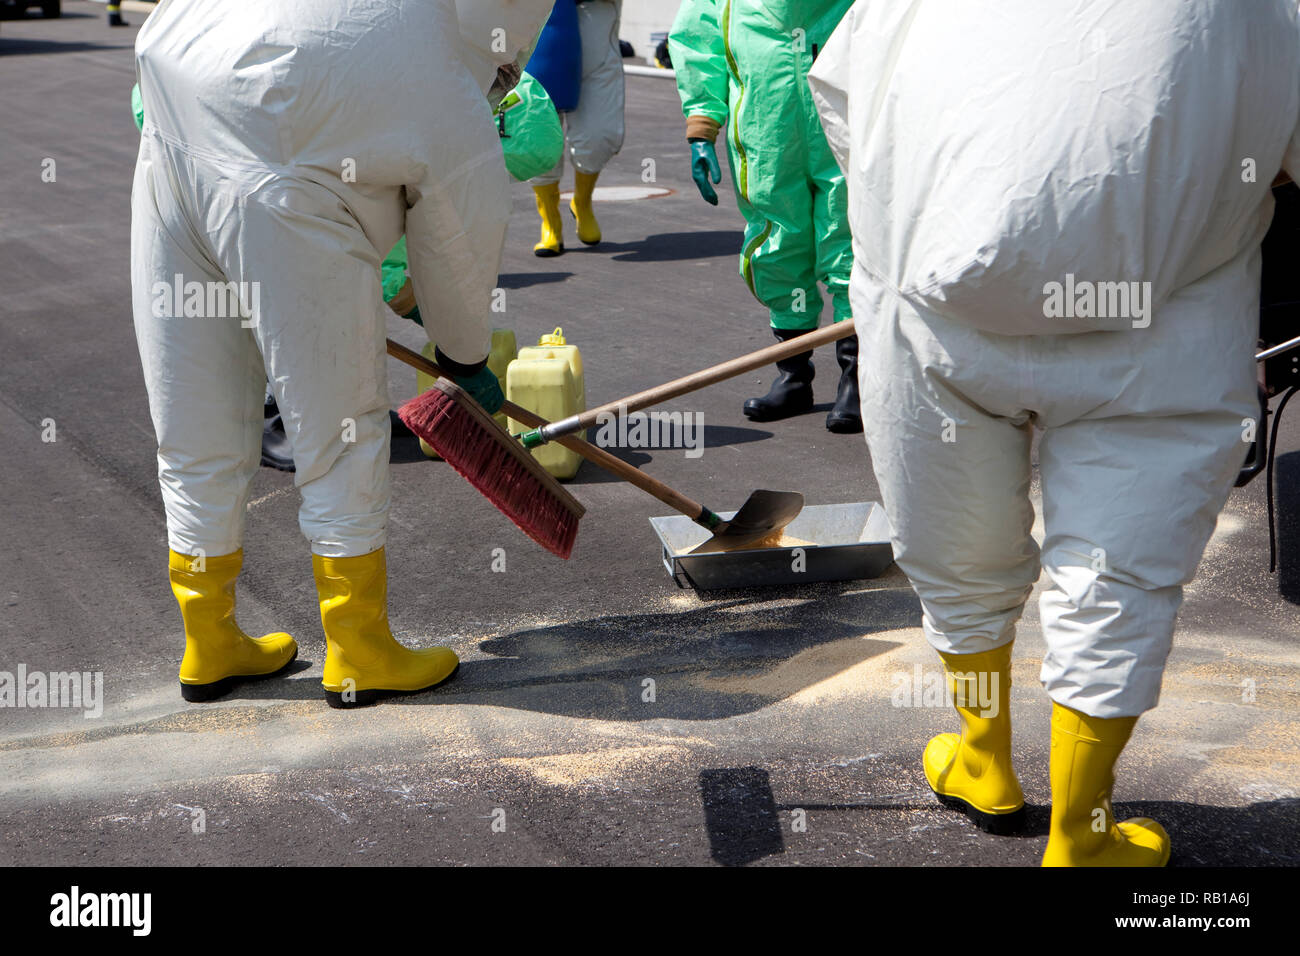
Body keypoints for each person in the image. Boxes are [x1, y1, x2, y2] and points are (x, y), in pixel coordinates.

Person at [808, 0, 1300, 864]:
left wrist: (933, 224)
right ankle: (1080, 832)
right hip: (1160, 315)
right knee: (1122, 565)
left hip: (936, 309)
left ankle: (983, 759)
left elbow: (845, 105)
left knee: (954, 542)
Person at [131, 0, 550, 708]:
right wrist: (465, 358)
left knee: (195, 413)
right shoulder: (446, 71)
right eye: (506, 75)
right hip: (287, 194)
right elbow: (459, 244)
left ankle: (210, 637)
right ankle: (358, 646)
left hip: (175, 134)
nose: (502, 86)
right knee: (340, 426)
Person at [670, 0, 860, 433]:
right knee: (777, 243)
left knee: (850, 238)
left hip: (843, 121)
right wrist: (702, 126)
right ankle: (794, 375)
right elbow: (699, 39)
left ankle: (858, 378)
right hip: (767, 129)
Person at [528, 0, 626, 256]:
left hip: (597, 32)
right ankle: (550, 222)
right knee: (537, 132)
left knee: (599, 135)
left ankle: (581, 202)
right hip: (539, 25)